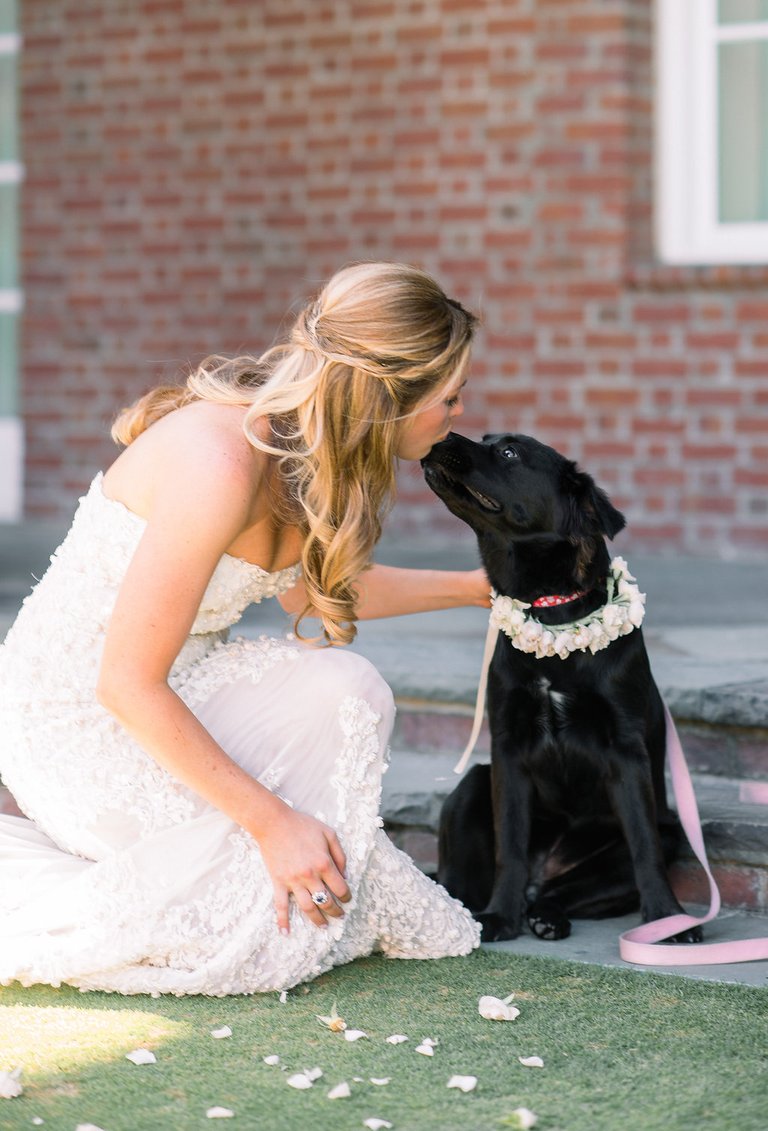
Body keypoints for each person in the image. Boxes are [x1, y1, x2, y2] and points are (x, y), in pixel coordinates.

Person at [0, 261, 490, 996]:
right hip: (77, 716)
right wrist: (272, 821)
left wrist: (485, 589)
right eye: (448, 396)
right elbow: (125, 684)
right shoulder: (219, 462)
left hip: (178, 686)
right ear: (390, 399)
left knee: (345, 686)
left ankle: (267, 852)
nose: (458, 411)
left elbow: (320, 594)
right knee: (236, 896)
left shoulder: (307, 457)